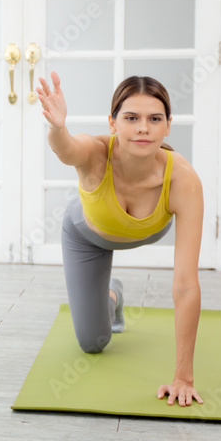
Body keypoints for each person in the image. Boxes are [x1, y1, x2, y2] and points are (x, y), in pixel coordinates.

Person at [36, 72, 205, 407]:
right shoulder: (95, 153)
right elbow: (67, 150)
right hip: (88, 237)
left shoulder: (183, 179)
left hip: (146, 232)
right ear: (112, 123)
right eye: (131, 118)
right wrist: (57, 128)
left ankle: (109, 290)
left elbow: (186, 284)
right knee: (93, 342)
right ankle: (112, 293)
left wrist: (183, 377)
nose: (143, 128)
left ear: (168, 126)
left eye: (154, 119)